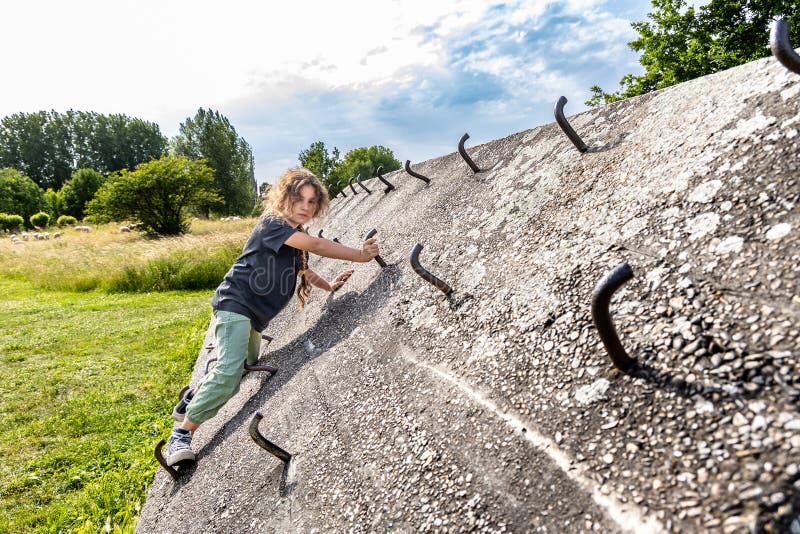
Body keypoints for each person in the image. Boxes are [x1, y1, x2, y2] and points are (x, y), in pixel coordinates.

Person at [164, 168, 379, 466]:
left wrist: (330, 286)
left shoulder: (294, 237)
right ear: (283, 198)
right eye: (299, 198)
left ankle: (193, 397)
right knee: (229, 374)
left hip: (253, 316)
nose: (306, 206)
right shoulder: (273, 223)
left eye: (313, 201)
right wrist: (360, 254)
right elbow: (317, 246)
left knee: (240, 368)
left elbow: (305, 270)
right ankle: (182, 434)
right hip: (235, 304)